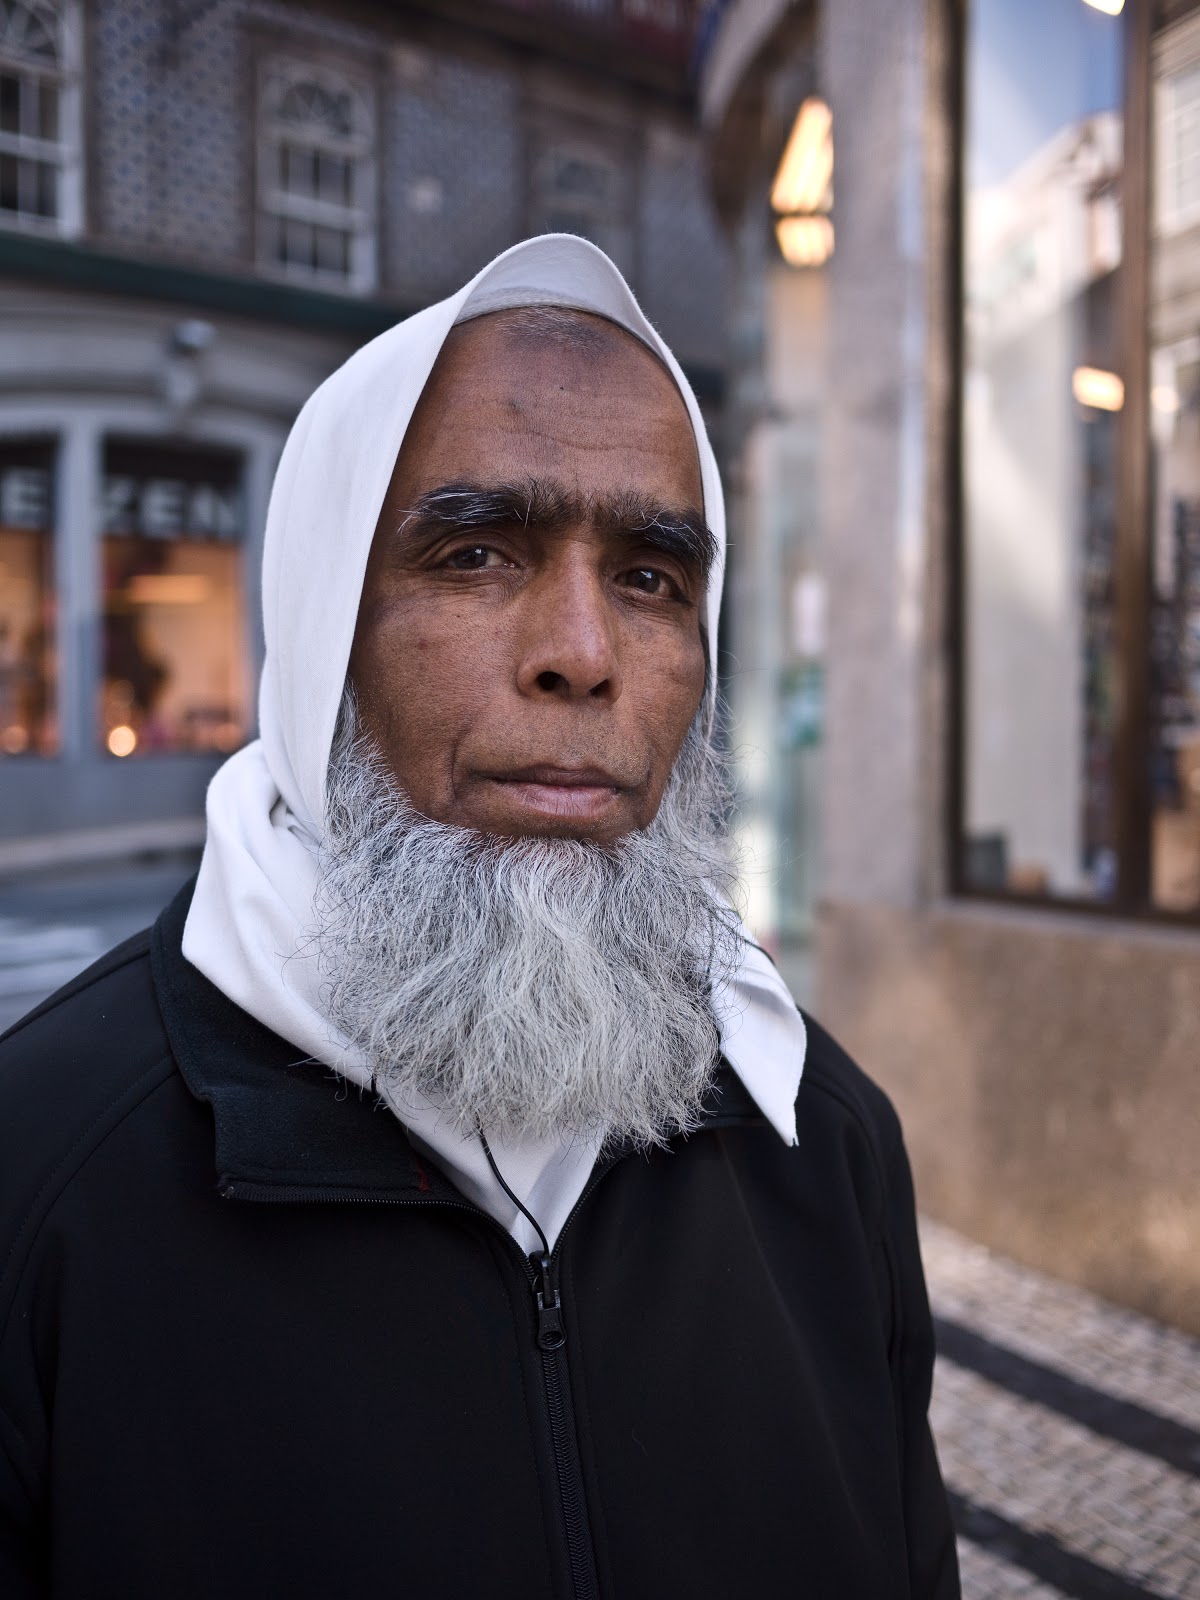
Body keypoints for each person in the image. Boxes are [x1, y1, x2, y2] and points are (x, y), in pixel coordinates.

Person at [0, 236, 959, 1599]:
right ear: (325, 624)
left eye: (649, 577)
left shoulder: (824, 1140)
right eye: (476, 553)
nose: (581, 651)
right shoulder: (44, 1174)